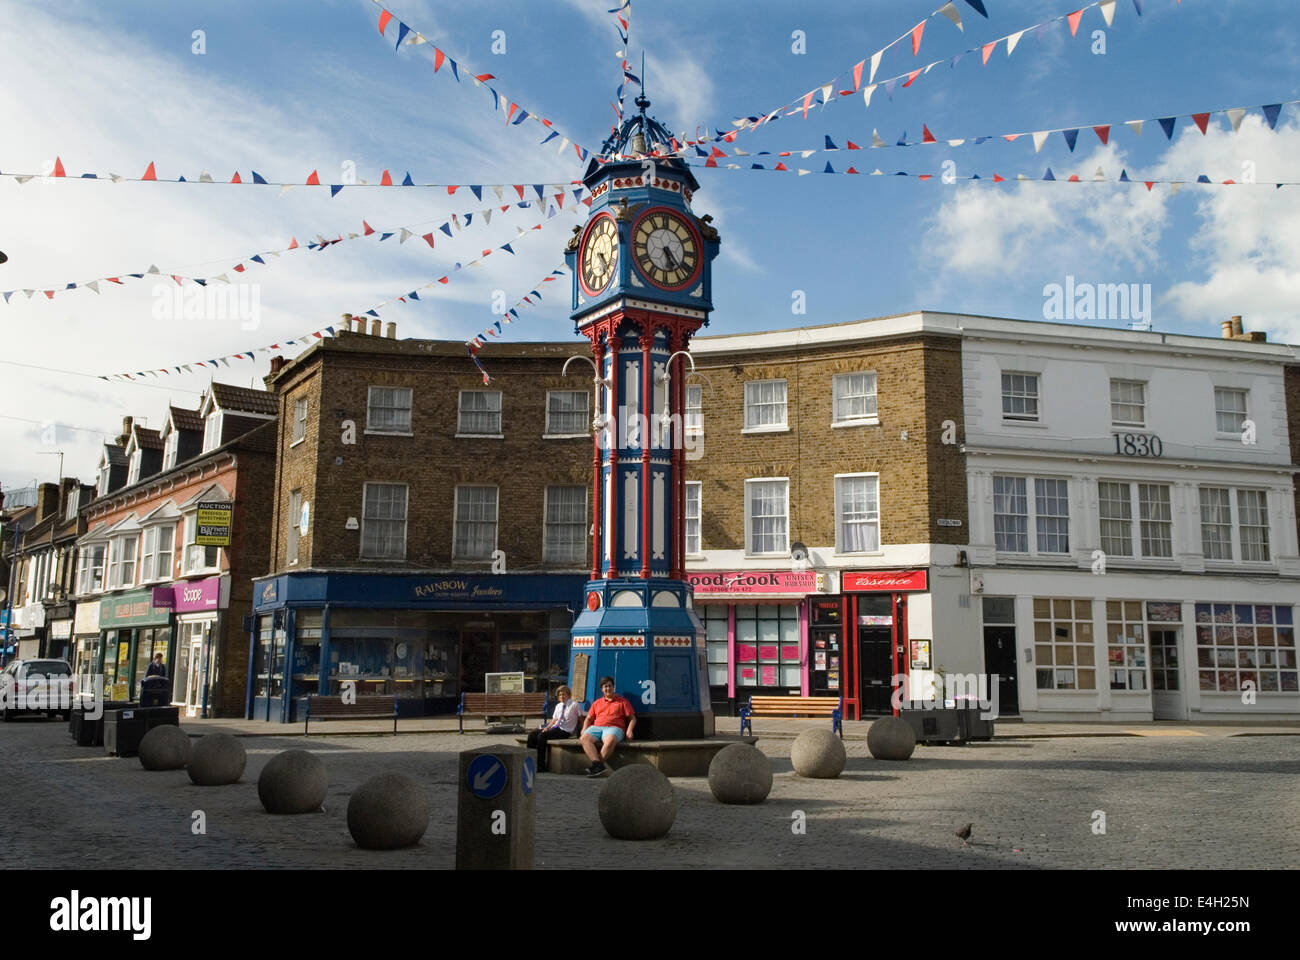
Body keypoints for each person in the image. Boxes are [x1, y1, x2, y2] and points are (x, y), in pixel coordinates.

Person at [579, 676, 636, 777]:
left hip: (614, 728)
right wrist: (584, 728)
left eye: (610, 686)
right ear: (602, 689)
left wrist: (629, 730)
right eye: (605, 686)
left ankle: (597, 766)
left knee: (610, 740)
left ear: (613, 687)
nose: (608, 688)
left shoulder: (622, 701)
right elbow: (588, 718)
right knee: (584, 738)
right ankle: (598, 765)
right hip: (596, 727)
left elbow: (632, 718)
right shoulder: (597, 703)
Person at [526, 685, 581, 773]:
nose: (562, 696)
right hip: (555, 727)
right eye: (560, 695)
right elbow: (554, 720)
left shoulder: (574, 705)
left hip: (565, 730)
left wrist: (581, 732)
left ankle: (541, 766)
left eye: (564, 694)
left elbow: (580, 718)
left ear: (568, 695)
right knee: (532, 735)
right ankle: (531, 762)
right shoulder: (558, 706)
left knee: (542, 736)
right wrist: (547, 728)